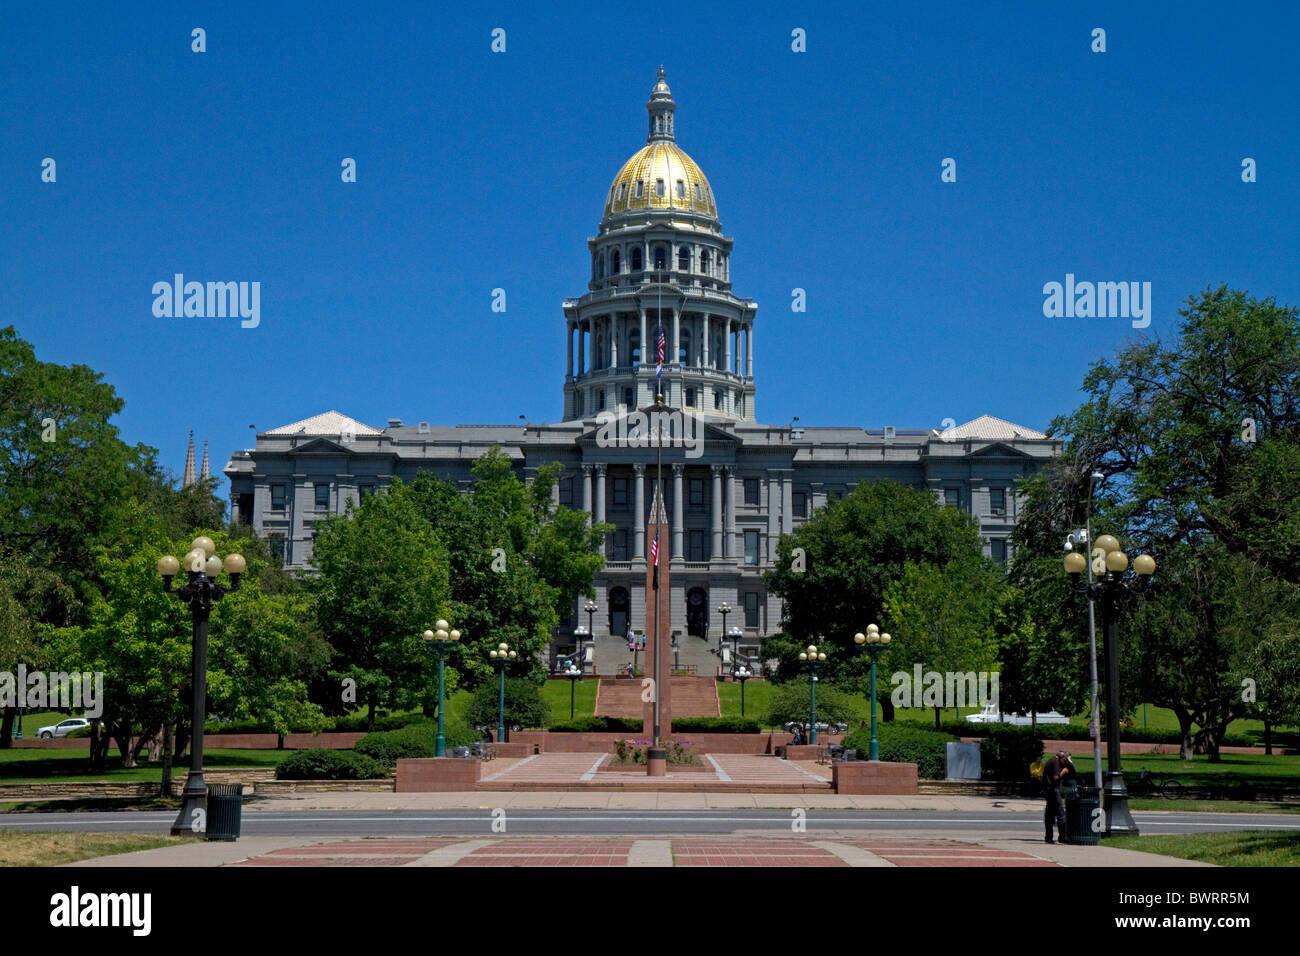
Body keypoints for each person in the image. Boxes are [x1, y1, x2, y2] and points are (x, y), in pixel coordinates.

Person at [1041, 749, 1074, 843]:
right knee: (1061, 813)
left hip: (1048, 790)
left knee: (1049, 814)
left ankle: (1048, 837)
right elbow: (1055, 777)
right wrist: (1063, 772)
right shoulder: (1055, 762)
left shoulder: (1052, 761)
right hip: (1053, 790)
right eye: (1065, 761)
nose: (1065, 763)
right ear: (1061, 757)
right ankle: (1063, 837)